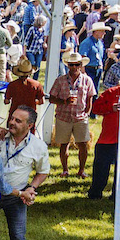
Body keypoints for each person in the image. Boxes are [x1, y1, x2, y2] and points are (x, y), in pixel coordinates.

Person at [0, 103, 48, 240]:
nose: (11, 122)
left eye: (18, 120)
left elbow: (43, 171)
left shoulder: (38, 146)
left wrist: (32, 188)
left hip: (16, 197)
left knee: (18, 239)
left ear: (29, 126)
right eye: (11, 118)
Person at [47, 50, 97, 180]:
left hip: (80, 117)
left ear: (81, 65)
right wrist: (64, 101)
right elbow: (52, 98)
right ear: (67, 65)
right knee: (64, 144)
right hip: (63, 116)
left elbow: (90, 98)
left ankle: (81, 170)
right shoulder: (60, 80)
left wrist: (87, 113)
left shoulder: (87, 80)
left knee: (83, 144)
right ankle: (65, 170)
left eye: (77, 64)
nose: (74, 67)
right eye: (71, 65)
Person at [88, 78, 120, 202]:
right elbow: (95, 108)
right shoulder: (111, 92)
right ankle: (95, 194)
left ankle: (116, 196)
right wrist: (110, 107)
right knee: (101, 168)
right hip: (107, 139)